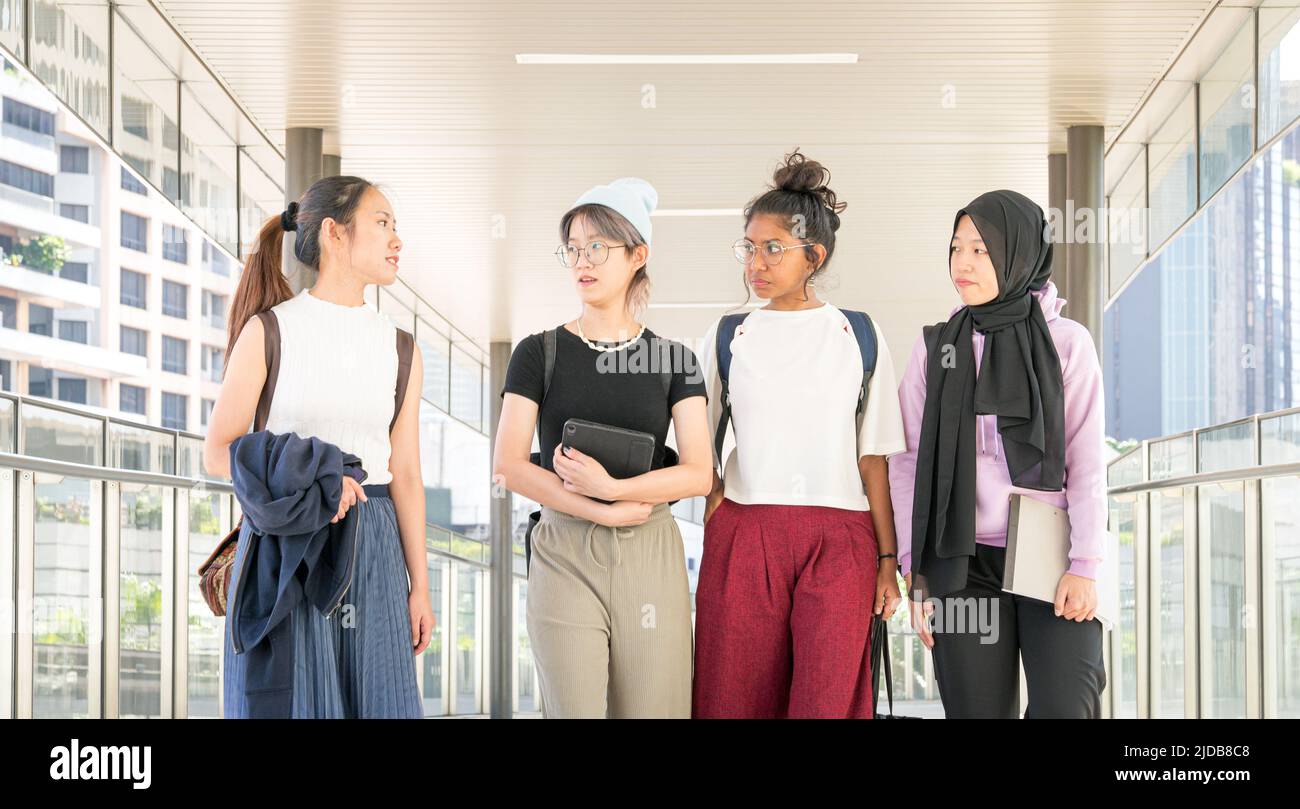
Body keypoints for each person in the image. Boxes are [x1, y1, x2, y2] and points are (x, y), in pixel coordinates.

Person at [205, 175, 432, 718]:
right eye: (382, 224)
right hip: (289, 545)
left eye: (396, 227)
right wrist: (314, 477)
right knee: (299, 703)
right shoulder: (268, 332)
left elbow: (406, 474)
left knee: (378, 703)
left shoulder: (402, 349)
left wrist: (420, 587)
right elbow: (218, 452)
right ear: (334, 233)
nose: (397, 240)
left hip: (374, 545)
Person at [692, 151, 907, 719]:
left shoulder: (857, 333)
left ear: (815, 256)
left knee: (826, 701)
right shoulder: (727, 334)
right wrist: (717, 503)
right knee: (732, 698)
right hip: (745, 532)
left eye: (772, 249)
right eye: (749, 247)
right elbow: (697, 439)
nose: (755, 263)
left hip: (841, 540)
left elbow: (873, 461)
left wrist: (889, 561)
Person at [492, 178, 713, 718]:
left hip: (650, 547)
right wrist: (598, 508)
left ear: (639, 255)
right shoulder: (538, 353)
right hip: (564, 546)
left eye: (598, 247)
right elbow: (509, 465)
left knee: (655, 708)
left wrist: (614, 490)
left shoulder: (675, 360)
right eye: (573, 248)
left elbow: (699, 473)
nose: (582, 261)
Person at [890, 189, 1108, 718]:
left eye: (981, 250)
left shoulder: (1067, 343)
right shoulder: (937, 346)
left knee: (1066, 708)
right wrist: (916, 571)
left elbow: (1086, 463)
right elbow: (908, 462)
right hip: (961, 562)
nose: (961, 263)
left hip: (1051, 554)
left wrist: (1085, 564)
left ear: (1019, 255)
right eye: (956, 247)